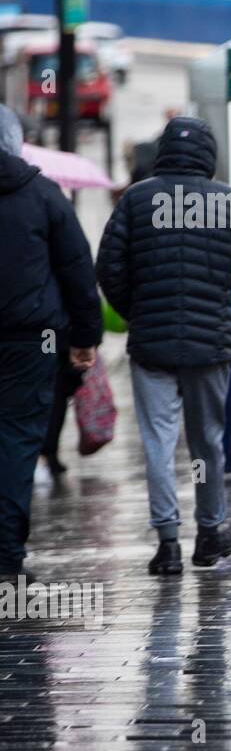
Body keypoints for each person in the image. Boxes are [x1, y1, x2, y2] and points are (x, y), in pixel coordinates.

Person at [96, 116, 231, 576]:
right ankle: (211, 532)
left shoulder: (135, 199)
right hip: (210, 341)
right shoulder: (230, 202)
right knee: (207, 441)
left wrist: (137, 312)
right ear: (209, 154)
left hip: (151, 344)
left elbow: (108, 267)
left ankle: (167, 542)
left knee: (158, 443)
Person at [0, 104, 102, 581]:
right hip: (32, 341)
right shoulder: (44, 196)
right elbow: (78, 271)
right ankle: (6, 554)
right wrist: (84, 338)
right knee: (19, 442)